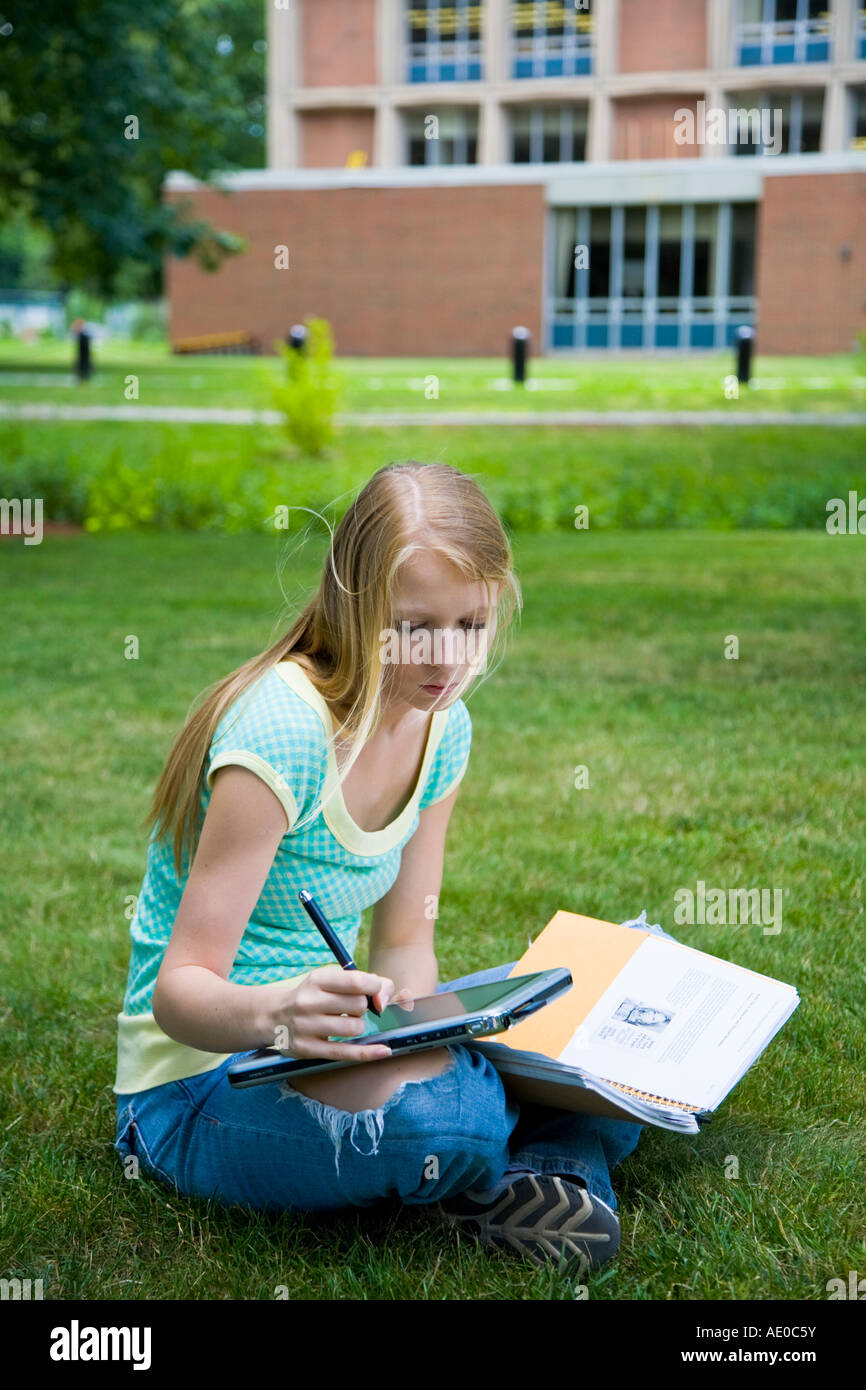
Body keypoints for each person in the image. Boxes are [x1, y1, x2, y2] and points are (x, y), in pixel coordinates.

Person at [113, 460, 654, 1279]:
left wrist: (423, 1028)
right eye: (415, 626)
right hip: (200, 1085)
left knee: (618, 1021)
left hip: (334, 1047)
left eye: (470, 626)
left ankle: (527, 1149)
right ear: (357, 607)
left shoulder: (445, 727)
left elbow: (405, 944)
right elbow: (179, 993)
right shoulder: (283, 732)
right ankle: (556, 1159)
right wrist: (276, 1015)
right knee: (443, 1123)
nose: (447, 659)